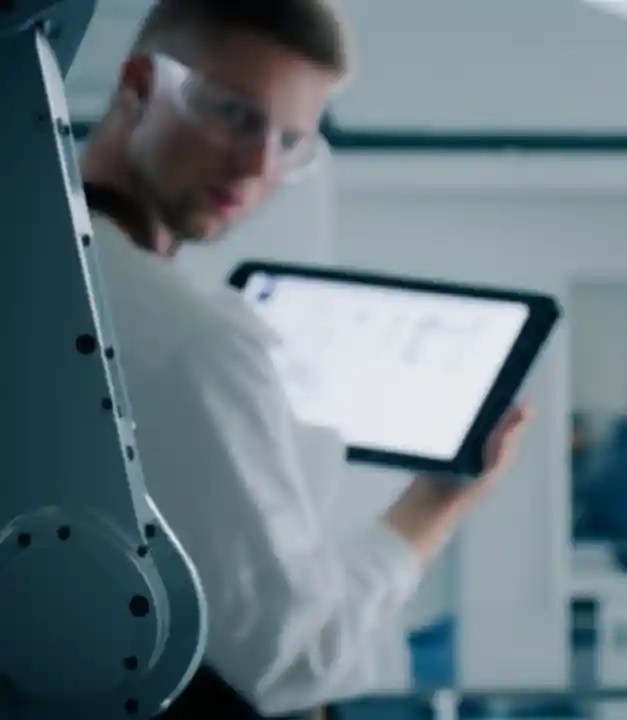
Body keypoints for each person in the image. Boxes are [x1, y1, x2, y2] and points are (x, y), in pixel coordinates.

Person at [77, 1, 528, 717]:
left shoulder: (51, 268)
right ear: (138, 81)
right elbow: (297, 658)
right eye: (233, 113)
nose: (258, 163)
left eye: (292, 141)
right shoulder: (196, 345)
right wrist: (434, 506)